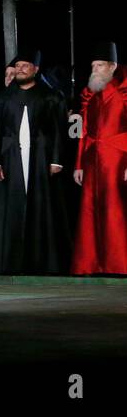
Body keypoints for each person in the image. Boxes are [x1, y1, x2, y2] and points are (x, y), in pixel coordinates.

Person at [0, 49, 70, 274]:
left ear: (36, 69)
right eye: (18, 66)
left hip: (41, 159)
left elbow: (58, 131)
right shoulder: (1, 98)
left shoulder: (51, 96)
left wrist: (56, 160)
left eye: (26, 66)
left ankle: (43, 263)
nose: (20, 69)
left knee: (41, 208)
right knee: (11, 208)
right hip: (10, 158)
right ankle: (10, 264)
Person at [71, 42, 125, 275]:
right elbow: (82, 131)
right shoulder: (89, 94)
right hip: (93, 159)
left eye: (100, 65)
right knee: (90, 210)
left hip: (118, 158)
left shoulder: (124, 91)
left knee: (115, 209)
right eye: (93, 65)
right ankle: (91, 263)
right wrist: (78, 165)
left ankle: (118, 263)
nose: (95, 69)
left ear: (112, 66)